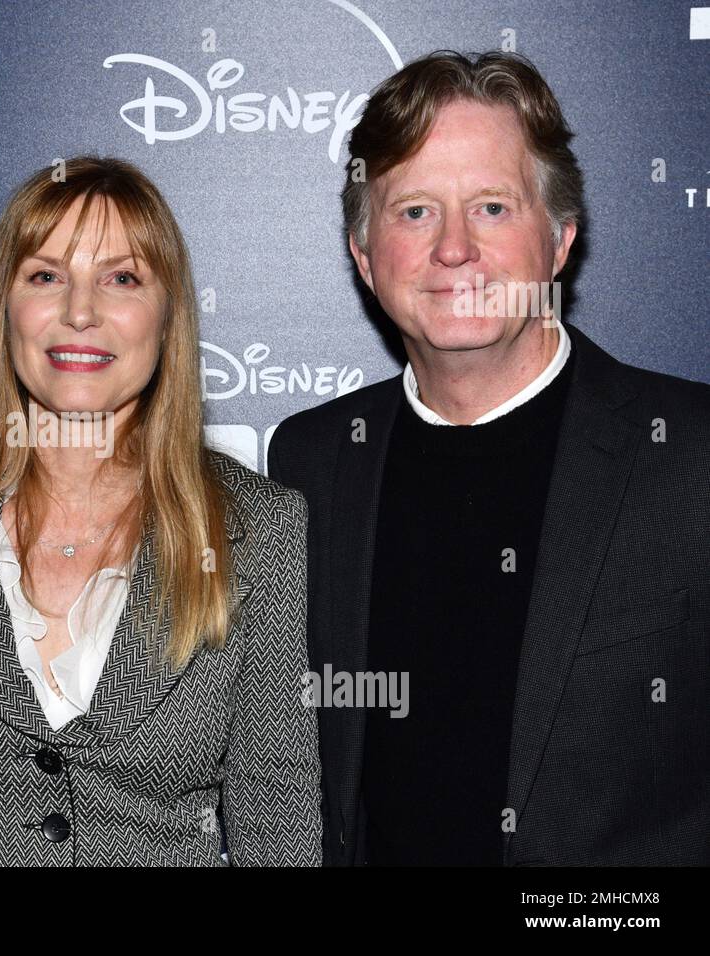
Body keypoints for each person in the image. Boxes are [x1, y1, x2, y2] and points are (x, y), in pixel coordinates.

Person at [269, 51, 710, 865]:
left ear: (561, 240)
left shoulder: (690, 454)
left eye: (494, 207)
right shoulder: (311, 460)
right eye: (414, 213)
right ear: (366, 259)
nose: (454, 249)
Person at [0, 156, 321, 865]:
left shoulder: (254, 530)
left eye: (122, 278)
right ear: (3, 306)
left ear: (167, 318)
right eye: (45, 276)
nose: (79, 311)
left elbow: (275, 814)